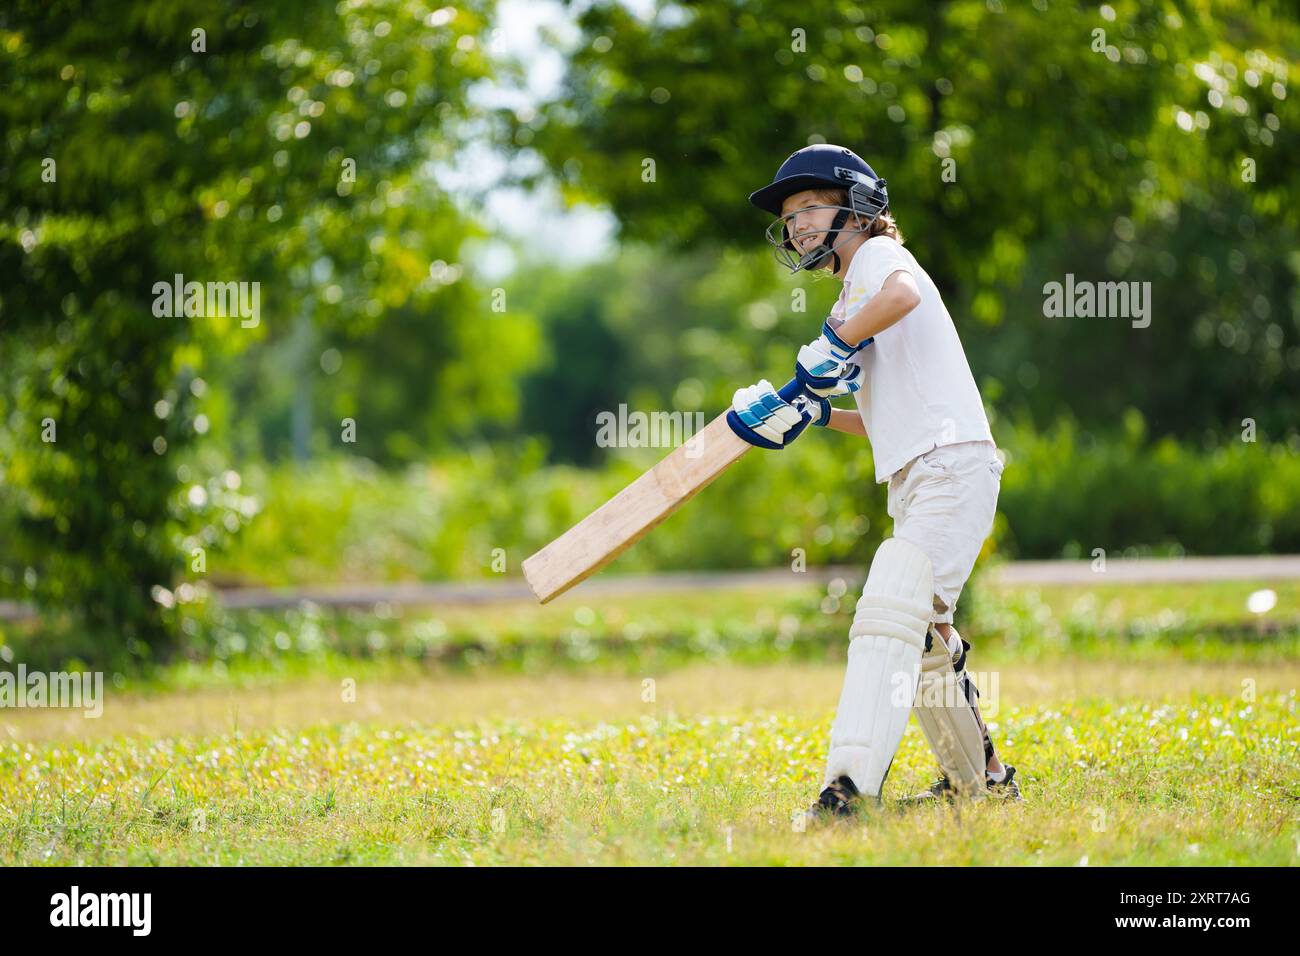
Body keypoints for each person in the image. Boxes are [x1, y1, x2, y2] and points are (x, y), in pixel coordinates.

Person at [729, 144, 1020, 817]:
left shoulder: (879, 260)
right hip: (926, 469)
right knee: (924, 630)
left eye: (810, 206)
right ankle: (983, 783)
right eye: (790, 215)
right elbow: (883, 417)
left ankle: (846, 791)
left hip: (952, 465)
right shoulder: (851, 296)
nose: (798, 223)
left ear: (858, 206)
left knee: (893, 610)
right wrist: (813, 412)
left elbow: (903, 293)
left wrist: (831, 348)